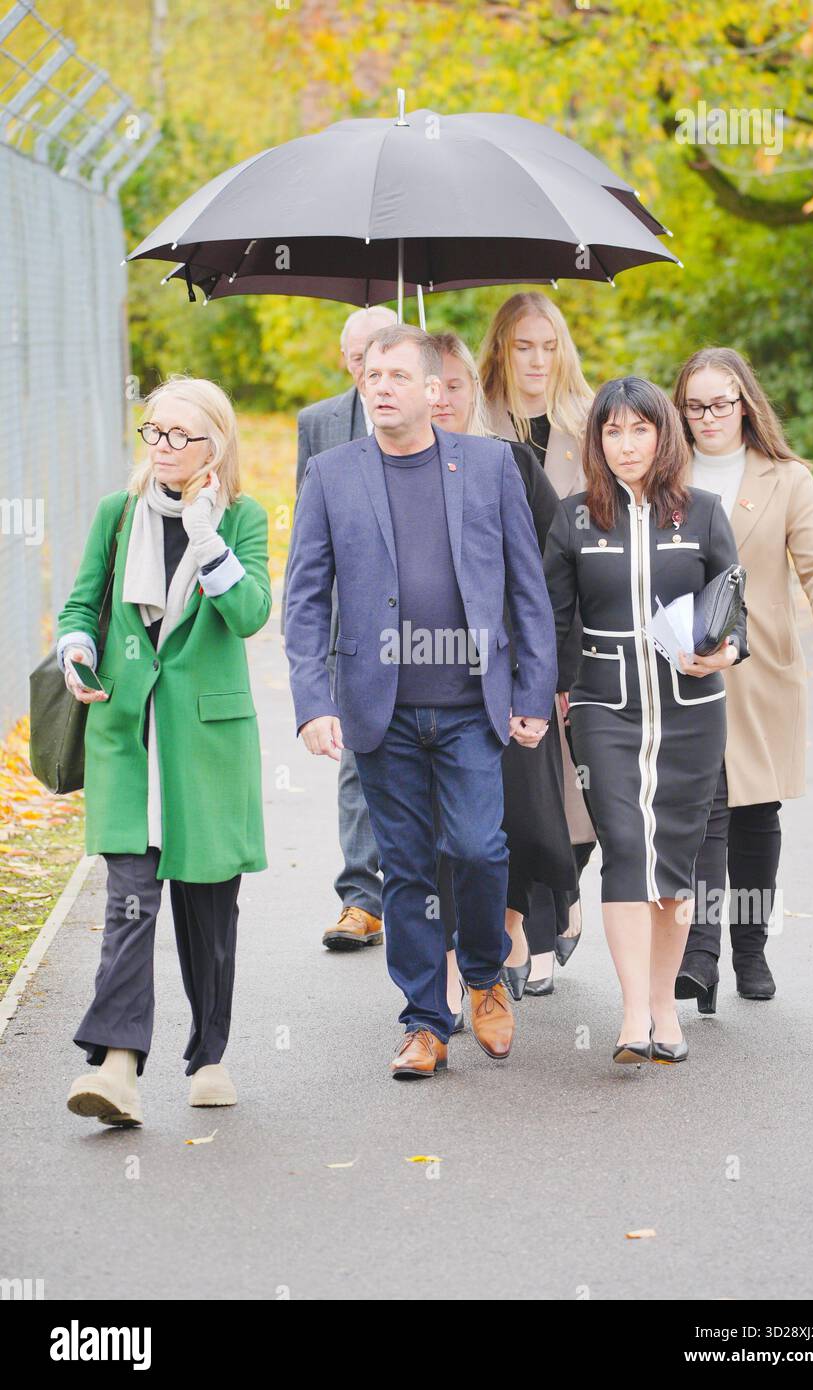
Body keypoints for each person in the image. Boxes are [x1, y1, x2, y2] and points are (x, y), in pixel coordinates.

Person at [285, 324, 558, 1080]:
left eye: (399, 375)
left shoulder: (492, 466)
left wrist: (533, 690)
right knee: (404, 870)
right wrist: (313, 702)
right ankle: (421, 1022)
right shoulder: (332, 474)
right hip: (381, 711)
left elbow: (525, 593)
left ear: (435, 389)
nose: (381, 387)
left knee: (476, 848)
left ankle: (480, 976)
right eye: (372, 374)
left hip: (473, 704)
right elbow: (305, 596)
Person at [59, 376, 271, 1125]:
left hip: (206, 743)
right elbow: (82, 603)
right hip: (129, 738)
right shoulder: (118, 515)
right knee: (127, 902)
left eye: (181, 437)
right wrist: (76, 647)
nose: (164, 449)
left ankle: (209, 1055)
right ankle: (118, 1066)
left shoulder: (242, 518)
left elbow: (248, 614)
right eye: (154, 432)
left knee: (209, 911)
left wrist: (207, 534)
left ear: (216, 446)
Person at [543, 376, 748, 1066]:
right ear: (596, 441)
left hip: (690, 714)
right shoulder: (572, 518)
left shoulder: (704, 514)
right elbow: (551, 622)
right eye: (611, 431)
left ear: (662, 436)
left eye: (639, 429)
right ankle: (632, 1014)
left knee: (674, 866)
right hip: (603, 708)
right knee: (626, 849)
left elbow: (733, 613)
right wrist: (547, 694)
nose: (625, 444)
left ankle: (664, 1007)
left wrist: (722, 653)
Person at [671, 348, 813, 1010]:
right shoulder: (665, 474)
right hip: (679, 670)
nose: (708, 417)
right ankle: (699, 950)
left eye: (721, 403)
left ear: (745, 404)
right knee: (699, 811)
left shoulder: (785, 478)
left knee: (753, 813)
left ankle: (747, 950)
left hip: (759, 675)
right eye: (694, 405)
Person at [429, 331, 577, 1023]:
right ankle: (456, 973)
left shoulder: (510, 464)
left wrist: (555, 673)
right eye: (424, 382)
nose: (439, 397)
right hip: (419, 691)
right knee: (438, 839)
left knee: (511, 830)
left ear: (473, 390)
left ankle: (524, 921)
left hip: (506, 686)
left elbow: (553, 575)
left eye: (452, 384)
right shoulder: (381, 470)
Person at [478, 291, 597, 994]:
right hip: (503, 638)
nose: (536, 359)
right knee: (519, 789)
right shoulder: (473, 422)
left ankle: (558, 904)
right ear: (500, 348)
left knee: (577, 793)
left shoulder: (586, 422)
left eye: (548, 346)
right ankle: (528, 928)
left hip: (571, 622)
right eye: (523, 345)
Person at [282, 305, 397, 953]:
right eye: (357, 358)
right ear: (344, 359)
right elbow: (307, 534)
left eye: (379, 356)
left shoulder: (428, 408)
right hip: (347, 620)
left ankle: (422, 893)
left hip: (419, 623)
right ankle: (359, 899)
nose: (366, 369)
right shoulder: (319, 424)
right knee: (355, 758)